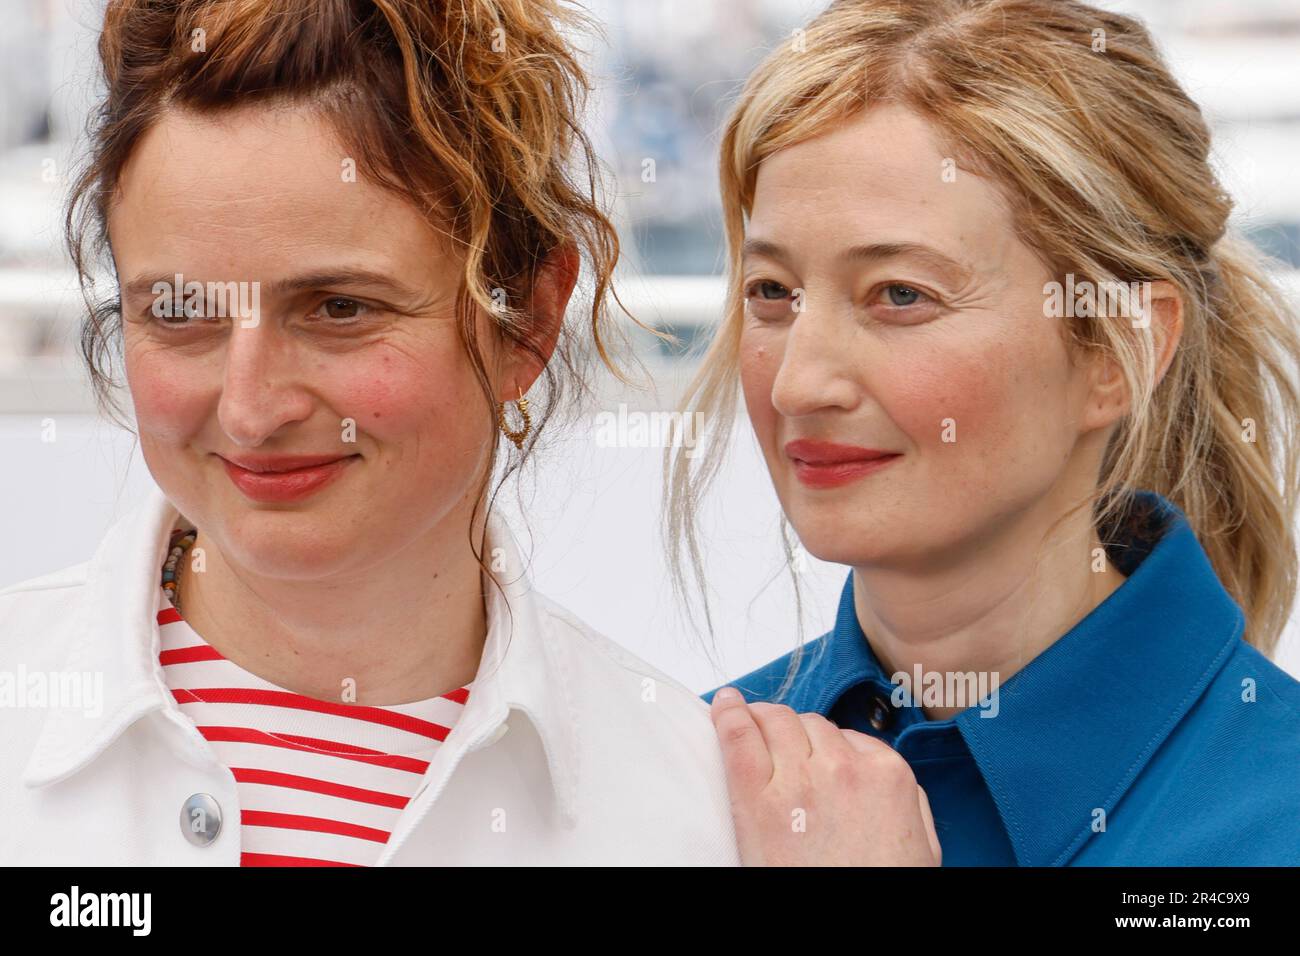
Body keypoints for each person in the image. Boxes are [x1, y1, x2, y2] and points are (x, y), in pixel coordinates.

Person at [0, 0, 738, 866]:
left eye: (340, 309)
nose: (250, 409)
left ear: (528, 322)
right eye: (179, 310)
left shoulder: (691, 811)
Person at [666, 0, 1300, 865]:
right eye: (773, 292)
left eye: (899, 295)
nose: (798, 382)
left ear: (1123, 348)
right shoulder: (673, 777)